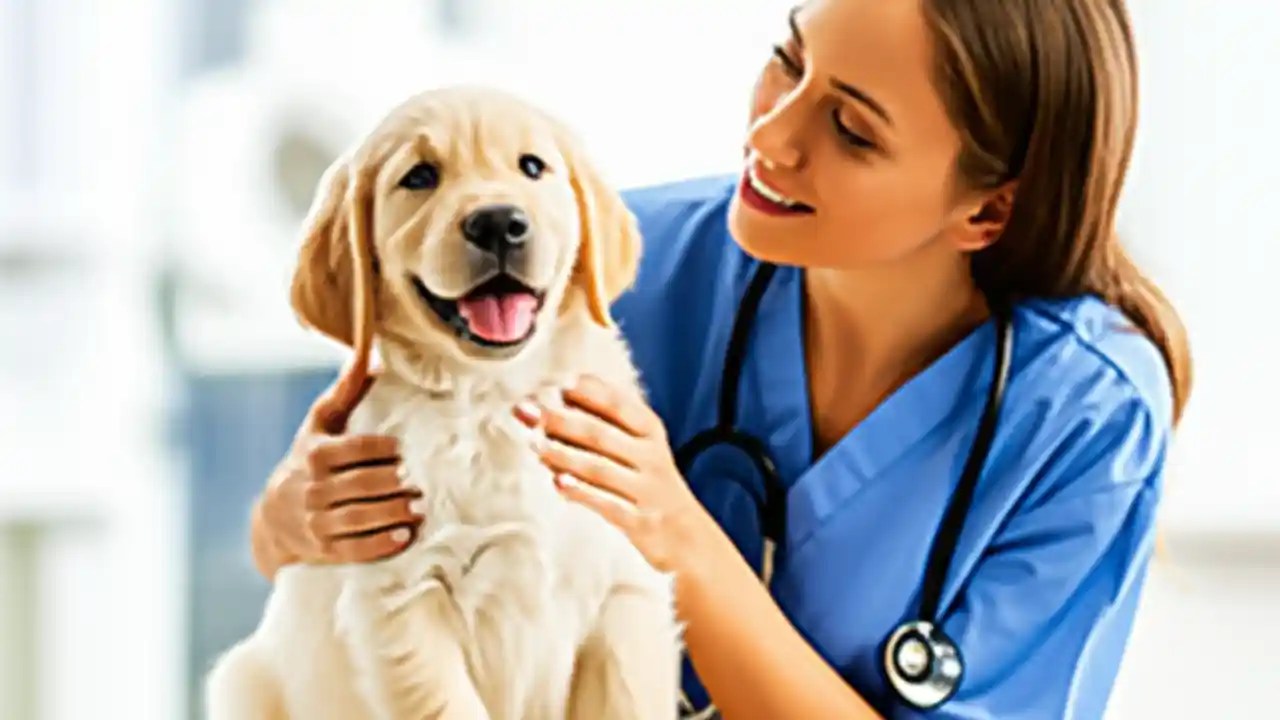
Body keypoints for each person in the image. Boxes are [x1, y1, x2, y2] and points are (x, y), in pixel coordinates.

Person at [247, 0, 1193, 717]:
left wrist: (682, 540)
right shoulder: (605, 263)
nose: (769, 136)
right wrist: (298, 518)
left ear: (988, 210)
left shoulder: (1082, 416)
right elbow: (322, 556)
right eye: (789, 61)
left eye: (851, 129)